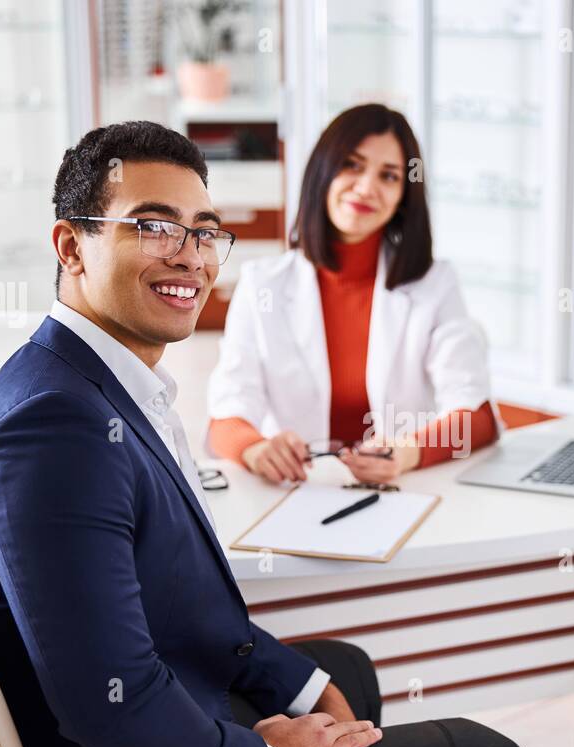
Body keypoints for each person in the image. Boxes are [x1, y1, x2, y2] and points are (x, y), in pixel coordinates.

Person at [0, 120, 531, 747]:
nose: (188, 254)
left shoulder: (83, 384)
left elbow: (182, 617)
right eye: (154, 227)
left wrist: (302, 691)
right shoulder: (56, 431)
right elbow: (111, 705)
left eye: (203, 231)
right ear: (70, 247)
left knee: (340, 670)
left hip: (144, 742)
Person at [206, 103, 500, 485]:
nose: (366, 188)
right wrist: (257, 449)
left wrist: (408, 452)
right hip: (299, 492)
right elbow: (226, 416)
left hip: (401, 490)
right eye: (352, 165)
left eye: (389, 176)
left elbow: (477, 418)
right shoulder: (262, 284)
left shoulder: (434, 283)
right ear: (323, 171)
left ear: (403, 197)